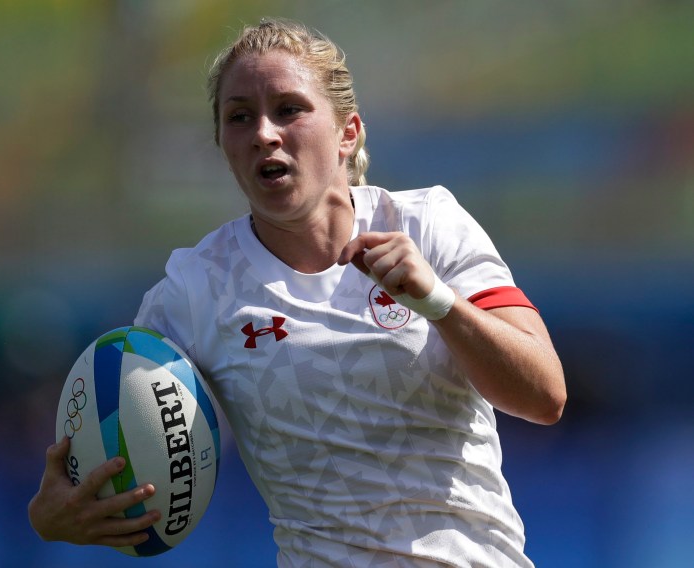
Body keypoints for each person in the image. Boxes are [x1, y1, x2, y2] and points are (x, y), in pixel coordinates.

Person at [29, 18, 566, 567]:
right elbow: (124, 434)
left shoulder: (428, 224)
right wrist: (53, 514)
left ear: (347, 132)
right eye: (239, 117)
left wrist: (439, 304)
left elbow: (545, 395)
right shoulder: (195, 291)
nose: (264, 132)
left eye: (289, 109)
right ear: (224, 147)